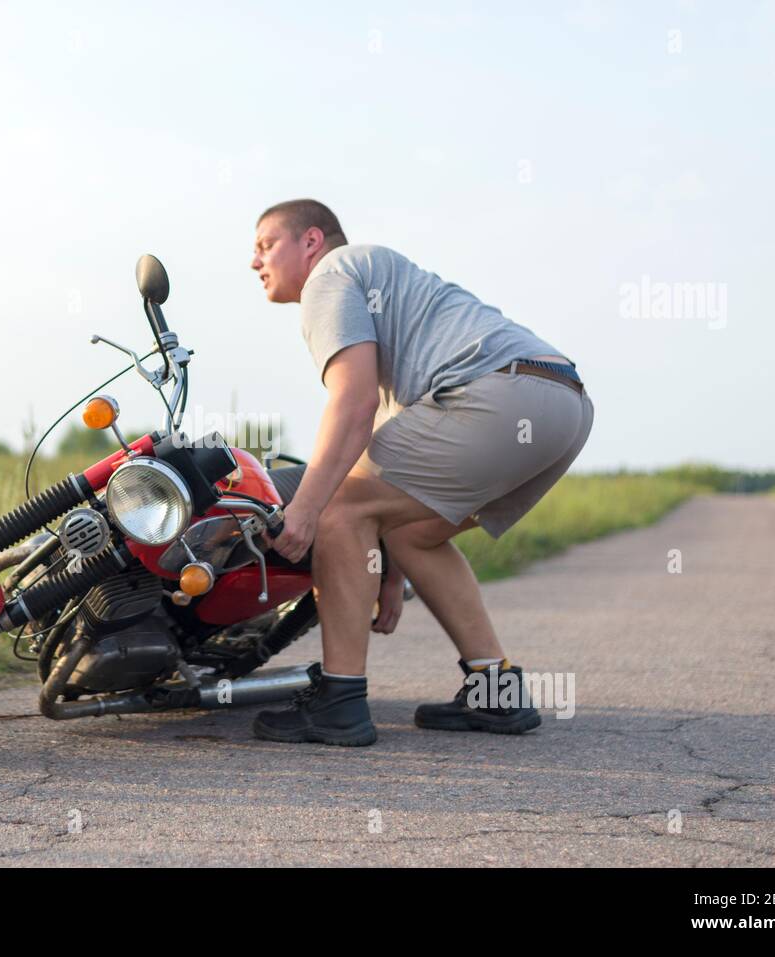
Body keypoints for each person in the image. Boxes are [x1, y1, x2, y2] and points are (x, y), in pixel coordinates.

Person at [249, 199, 593, 746]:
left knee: (337, 505)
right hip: (561, 404)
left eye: (265, 245)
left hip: (494, 396)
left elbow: (353, 404)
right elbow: (388, 452)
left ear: (311, 241)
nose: (255, 262)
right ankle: (495, 690)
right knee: (414, 533)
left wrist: (305, 511)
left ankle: (339, 703)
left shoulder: (330, 275)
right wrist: (390, 570)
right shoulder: (384, 284)